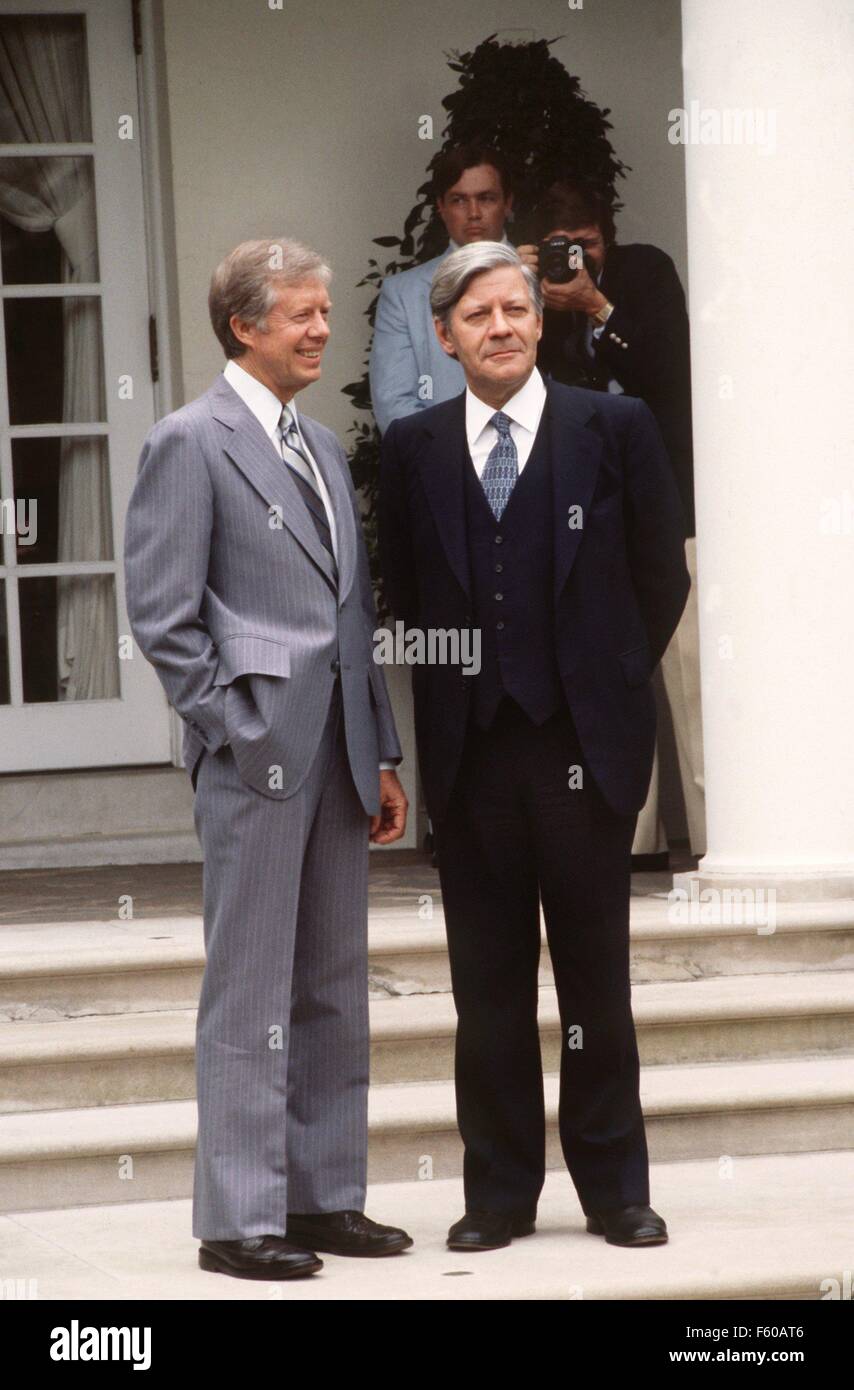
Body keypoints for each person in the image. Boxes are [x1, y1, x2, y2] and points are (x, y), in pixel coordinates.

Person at [379, 242, 689, 1251]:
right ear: (444, 335)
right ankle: (498, 1194)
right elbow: (408, 599)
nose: (500, 328)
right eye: (476, 316)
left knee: (596, 982)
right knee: (487, 990)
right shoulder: (415, 446)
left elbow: (660, 574)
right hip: (474, 762)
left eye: (513, 309)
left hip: (583, 752)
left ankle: (614, 1190)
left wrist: (598, 677)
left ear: (537, 318)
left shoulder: (613, 425)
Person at [124, 237, 411, 1281]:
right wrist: (233, 729)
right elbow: (162, 616)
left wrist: (378, 749)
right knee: (249, 993)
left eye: (323, 311)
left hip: (337, 761)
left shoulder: (323, 447)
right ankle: (237, 1219)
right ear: (245, 324)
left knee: (334, 986)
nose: (321, 328)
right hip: (254, 762)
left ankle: (324, 1197)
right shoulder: (186, 443)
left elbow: (350, 616)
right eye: (301, 313)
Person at [518, 182, 704, 861]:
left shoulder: (644, 274)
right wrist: (527, 287)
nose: (578, 258)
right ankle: (631, 842)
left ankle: (721, 840)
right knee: (604, 671)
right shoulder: (527, 294)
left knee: (690, 669)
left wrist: (597, 305)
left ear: (608, 235)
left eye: (589, 243)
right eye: (564, 247)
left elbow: (674, 373)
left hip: (669, 502)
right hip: (582, 512)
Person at [369, 144, 513, 434]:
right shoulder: (403, 293)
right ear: (441, 207)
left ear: (508, 203)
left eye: (486, 198)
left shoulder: (542, 277)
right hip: (443, 466)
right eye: (459, 200)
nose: (473, 213)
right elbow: (394, 406)